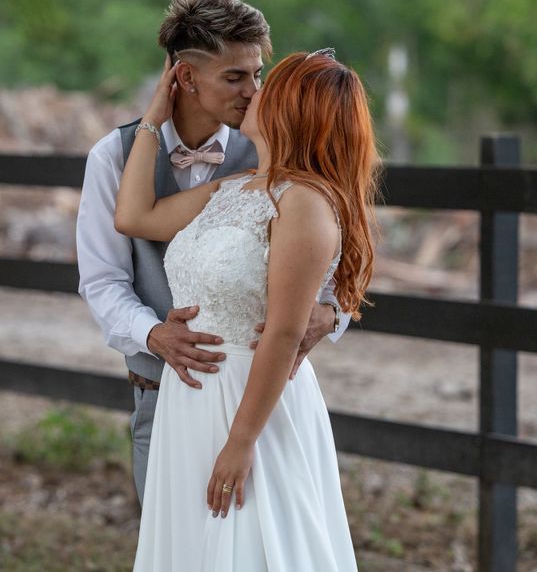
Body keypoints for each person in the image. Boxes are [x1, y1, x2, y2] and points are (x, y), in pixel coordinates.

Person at [76, 0, 350, 503]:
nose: (252, 91)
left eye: (257, 75)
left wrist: (333, 313)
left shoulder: (273, 145)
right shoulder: (113, 157)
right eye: (234, 77)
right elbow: (102, 280)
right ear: (185, 77)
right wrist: (153, 334)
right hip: (162, 398)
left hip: (257, 399)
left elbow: (340, 258)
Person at [115, 48, 379, 570]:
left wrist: (241, 441)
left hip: (251, 404)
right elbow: (134, 217)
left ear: (293, 110)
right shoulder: (236, 189)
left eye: (268, 86)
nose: (253, 93)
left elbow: (284, 331)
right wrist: (152, 121)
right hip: (189, 403)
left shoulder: (303, 202)